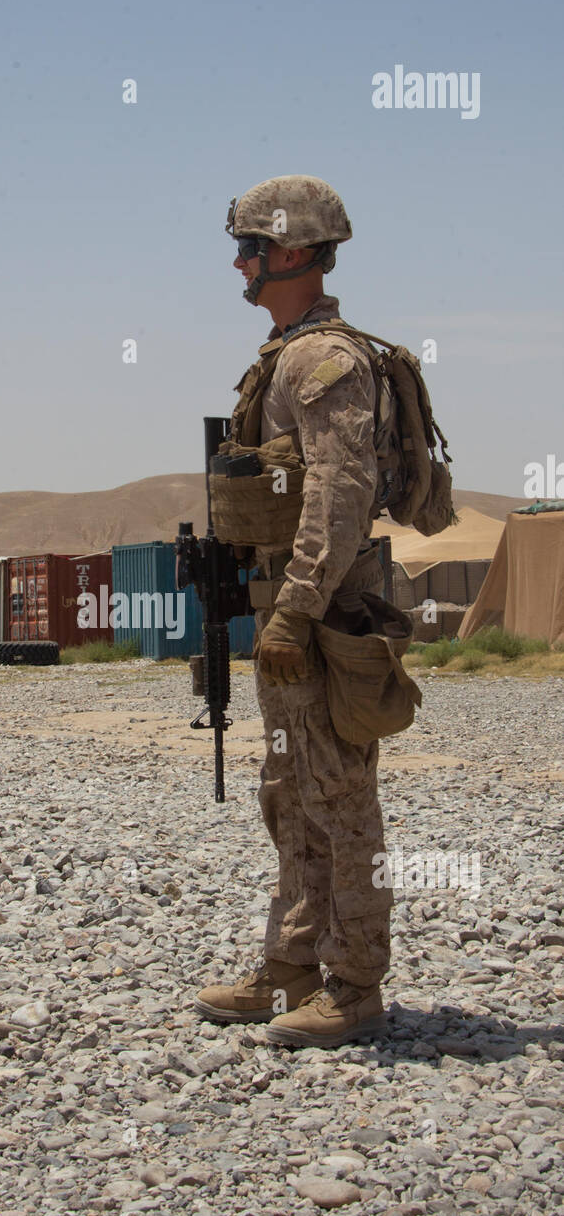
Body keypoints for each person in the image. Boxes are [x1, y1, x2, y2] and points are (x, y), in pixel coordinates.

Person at [194, 175, 391, 1048]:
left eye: (253, 247)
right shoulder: (284, 353)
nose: (240, 262)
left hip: (317, 618)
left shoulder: (325, 361)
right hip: (289, 616)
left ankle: (354, 986)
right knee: (290, 793)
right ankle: (290, 965)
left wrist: (295, 608)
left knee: (340, 800)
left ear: (299, 252)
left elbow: (340, 497)